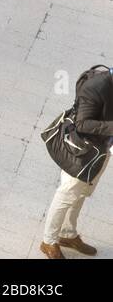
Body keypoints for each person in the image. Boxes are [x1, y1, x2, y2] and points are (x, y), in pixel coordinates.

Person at [39, 65, 113, 257]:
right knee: (67, 193)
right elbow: (82, 123)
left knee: (81, 193)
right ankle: (49, 241)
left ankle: (67, 234)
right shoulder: (95, 87)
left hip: (102, 148)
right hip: (84, 151)